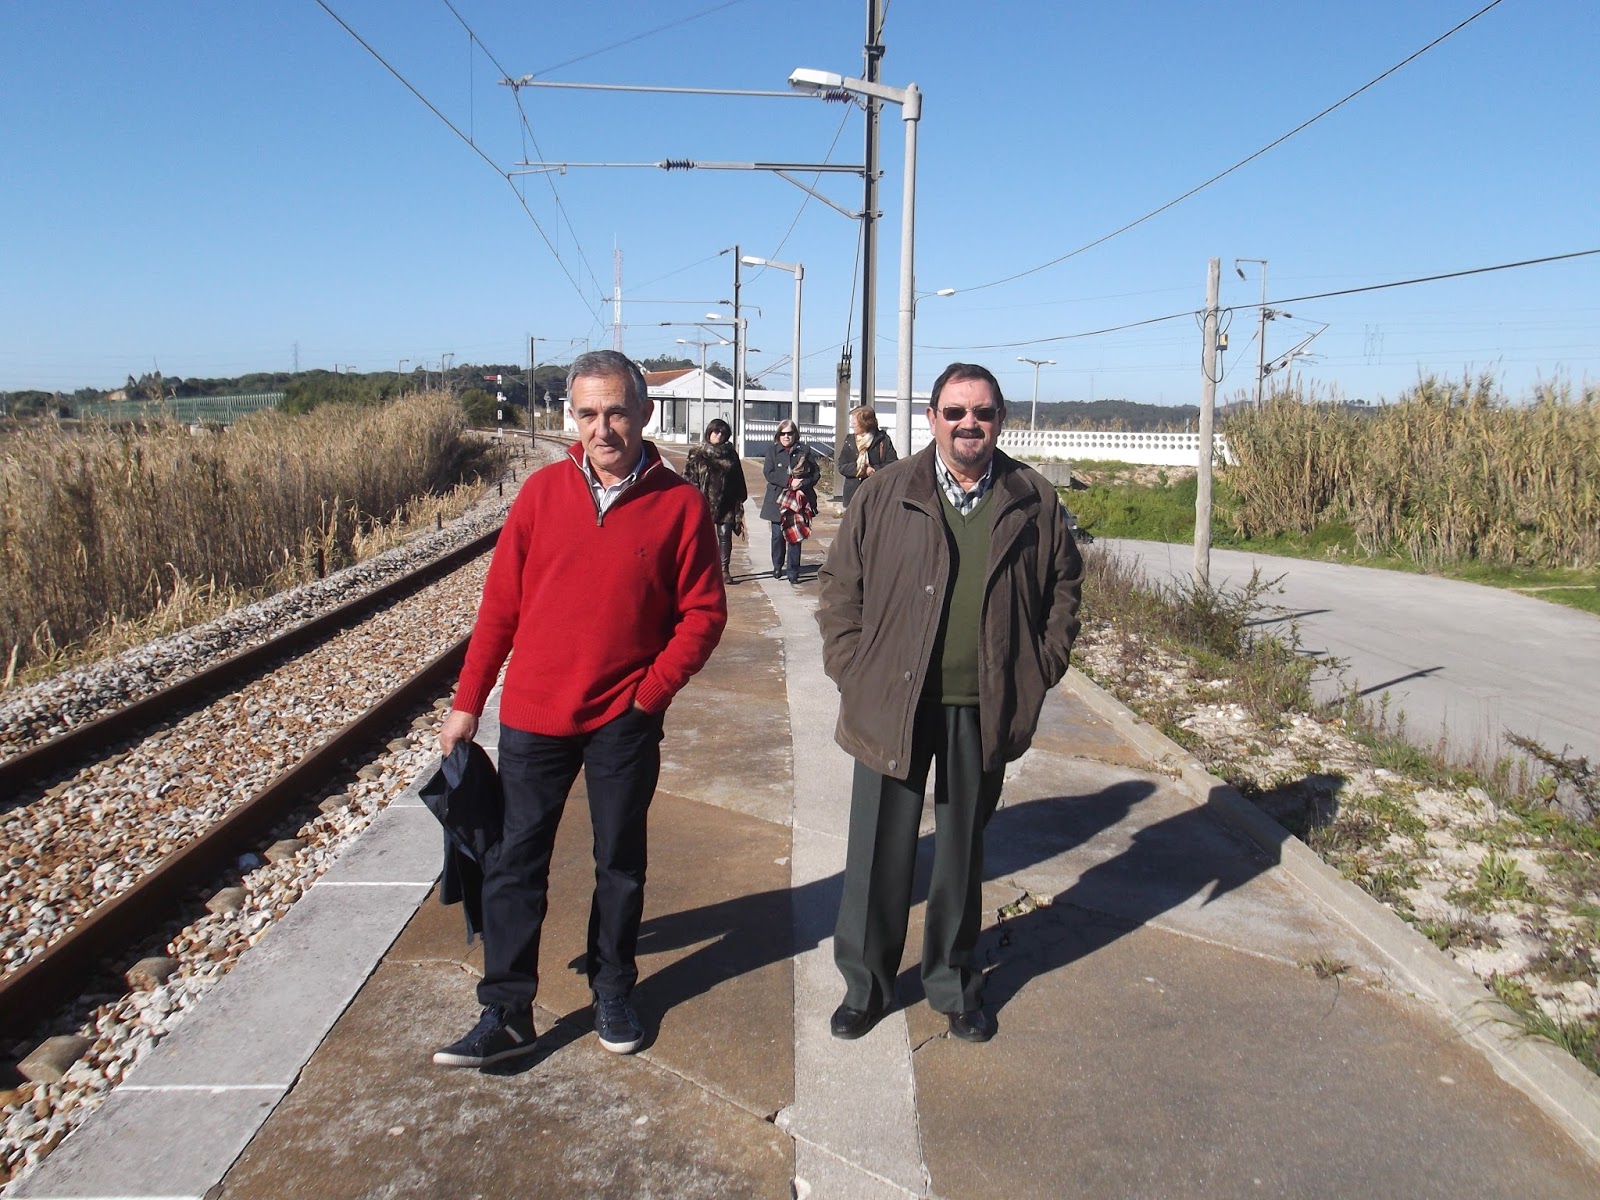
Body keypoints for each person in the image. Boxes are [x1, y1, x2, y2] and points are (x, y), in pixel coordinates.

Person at [433, 349, 727, 1068]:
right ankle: (506, 1011)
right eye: (589, 413)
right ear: (574, 416)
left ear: (645, 414)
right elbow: (499, 608)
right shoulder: (539, 495)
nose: (604, 429)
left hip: (622, 722)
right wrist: (467, 704)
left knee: (619, 862)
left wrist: (648, 695)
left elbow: (704, 614)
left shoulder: (679, 504)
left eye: (617, 412)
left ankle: (614, 986)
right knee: (513, 862)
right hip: (534, 716)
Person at [815, 362, 1083, 1044]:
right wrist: (852, 669)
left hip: (982, 703)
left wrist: (1040, 669)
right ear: (931, 418)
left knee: (961, 854)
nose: (970, 423)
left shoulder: (1033, 498)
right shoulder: (886, 492)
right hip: (889, 703)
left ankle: (953, 982)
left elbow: (1063, 591)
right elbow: (841, 586)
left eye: (983, 412)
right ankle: (866, 986)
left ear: (1000, 420)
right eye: (956, 411)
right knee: (878, 853)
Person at [683, 418, 748, 585]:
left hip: (726, 502)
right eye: (715, 431)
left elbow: (738, 478)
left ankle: (724, 569)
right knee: (700, 538)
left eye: (722, 432)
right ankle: (699, 570)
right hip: (702, 503)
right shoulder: (697, 452)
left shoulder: (731, 454)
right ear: (709, 433)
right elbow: (689, 477)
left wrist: (740, 500)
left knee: (725, 535)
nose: (718, 435)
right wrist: (693, 498)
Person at [760, 419, 819, 586]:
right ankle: (778, 565)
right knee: (777, 536)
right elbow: (769, 473)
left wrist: (802, 484)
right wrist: (788, 481)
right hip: (777, 499)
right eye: (783, 433)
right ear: (778, 435)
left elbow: (815, 474)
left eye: (790, 433)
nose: (786, 436)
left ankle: (793, 571)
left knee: (795, 536)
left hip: (798, 499)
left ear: (795, 434)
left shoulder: (805, 451)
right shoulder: (772, 451)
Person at [837, 405, 898, 507]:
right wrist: (861, 470)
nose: (852, 425)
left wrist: (873, 470)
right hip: (853, 495)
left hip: (876, 494)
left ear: (864, 423)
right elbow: (841, 466)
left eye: (854, 423)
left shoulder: (882, 440)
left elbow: (893, 465)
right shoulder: (850, 441)